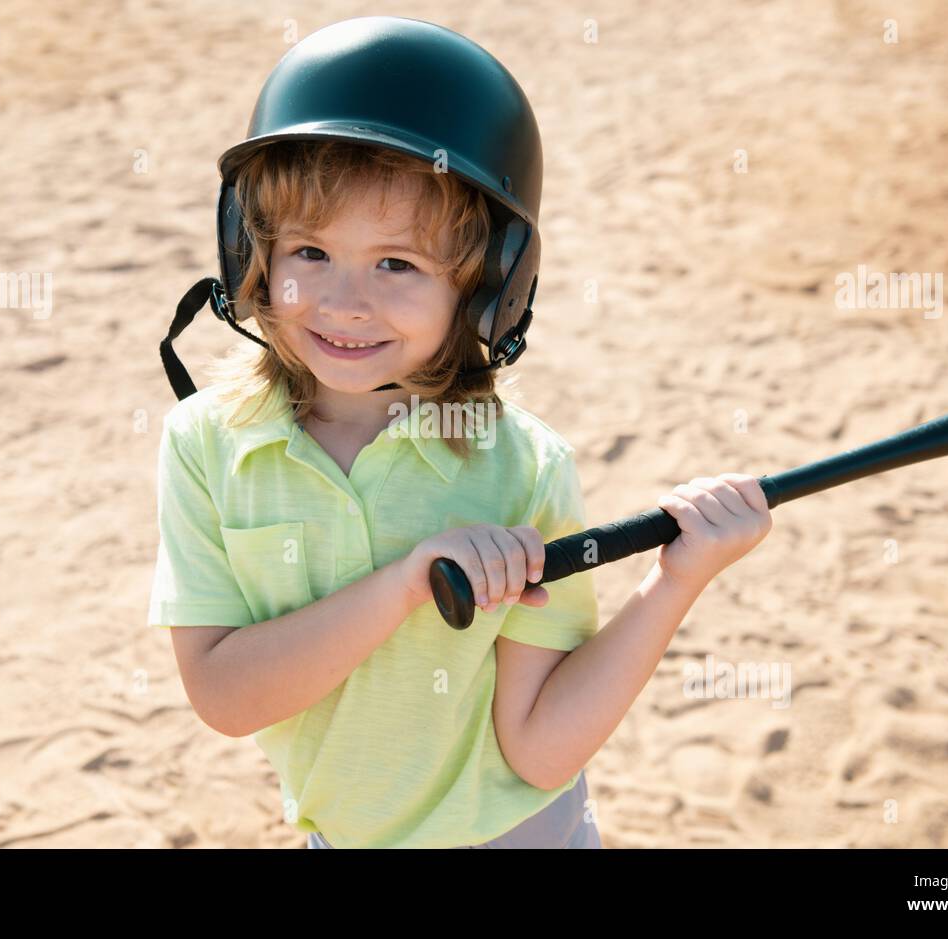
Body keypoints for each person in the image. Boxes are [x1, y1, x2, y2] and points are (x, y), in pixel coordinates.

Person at [147, 17, 772, 849]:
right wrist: (406, 585)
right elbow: (225, 696)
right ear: (247, 251)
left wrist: (677, 580)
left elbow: (541, 748)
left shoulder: (521, 466)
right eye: (309, 251)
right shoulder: (207, 444)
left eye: (397, 264)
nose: (344, 302)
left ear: (487, 290)